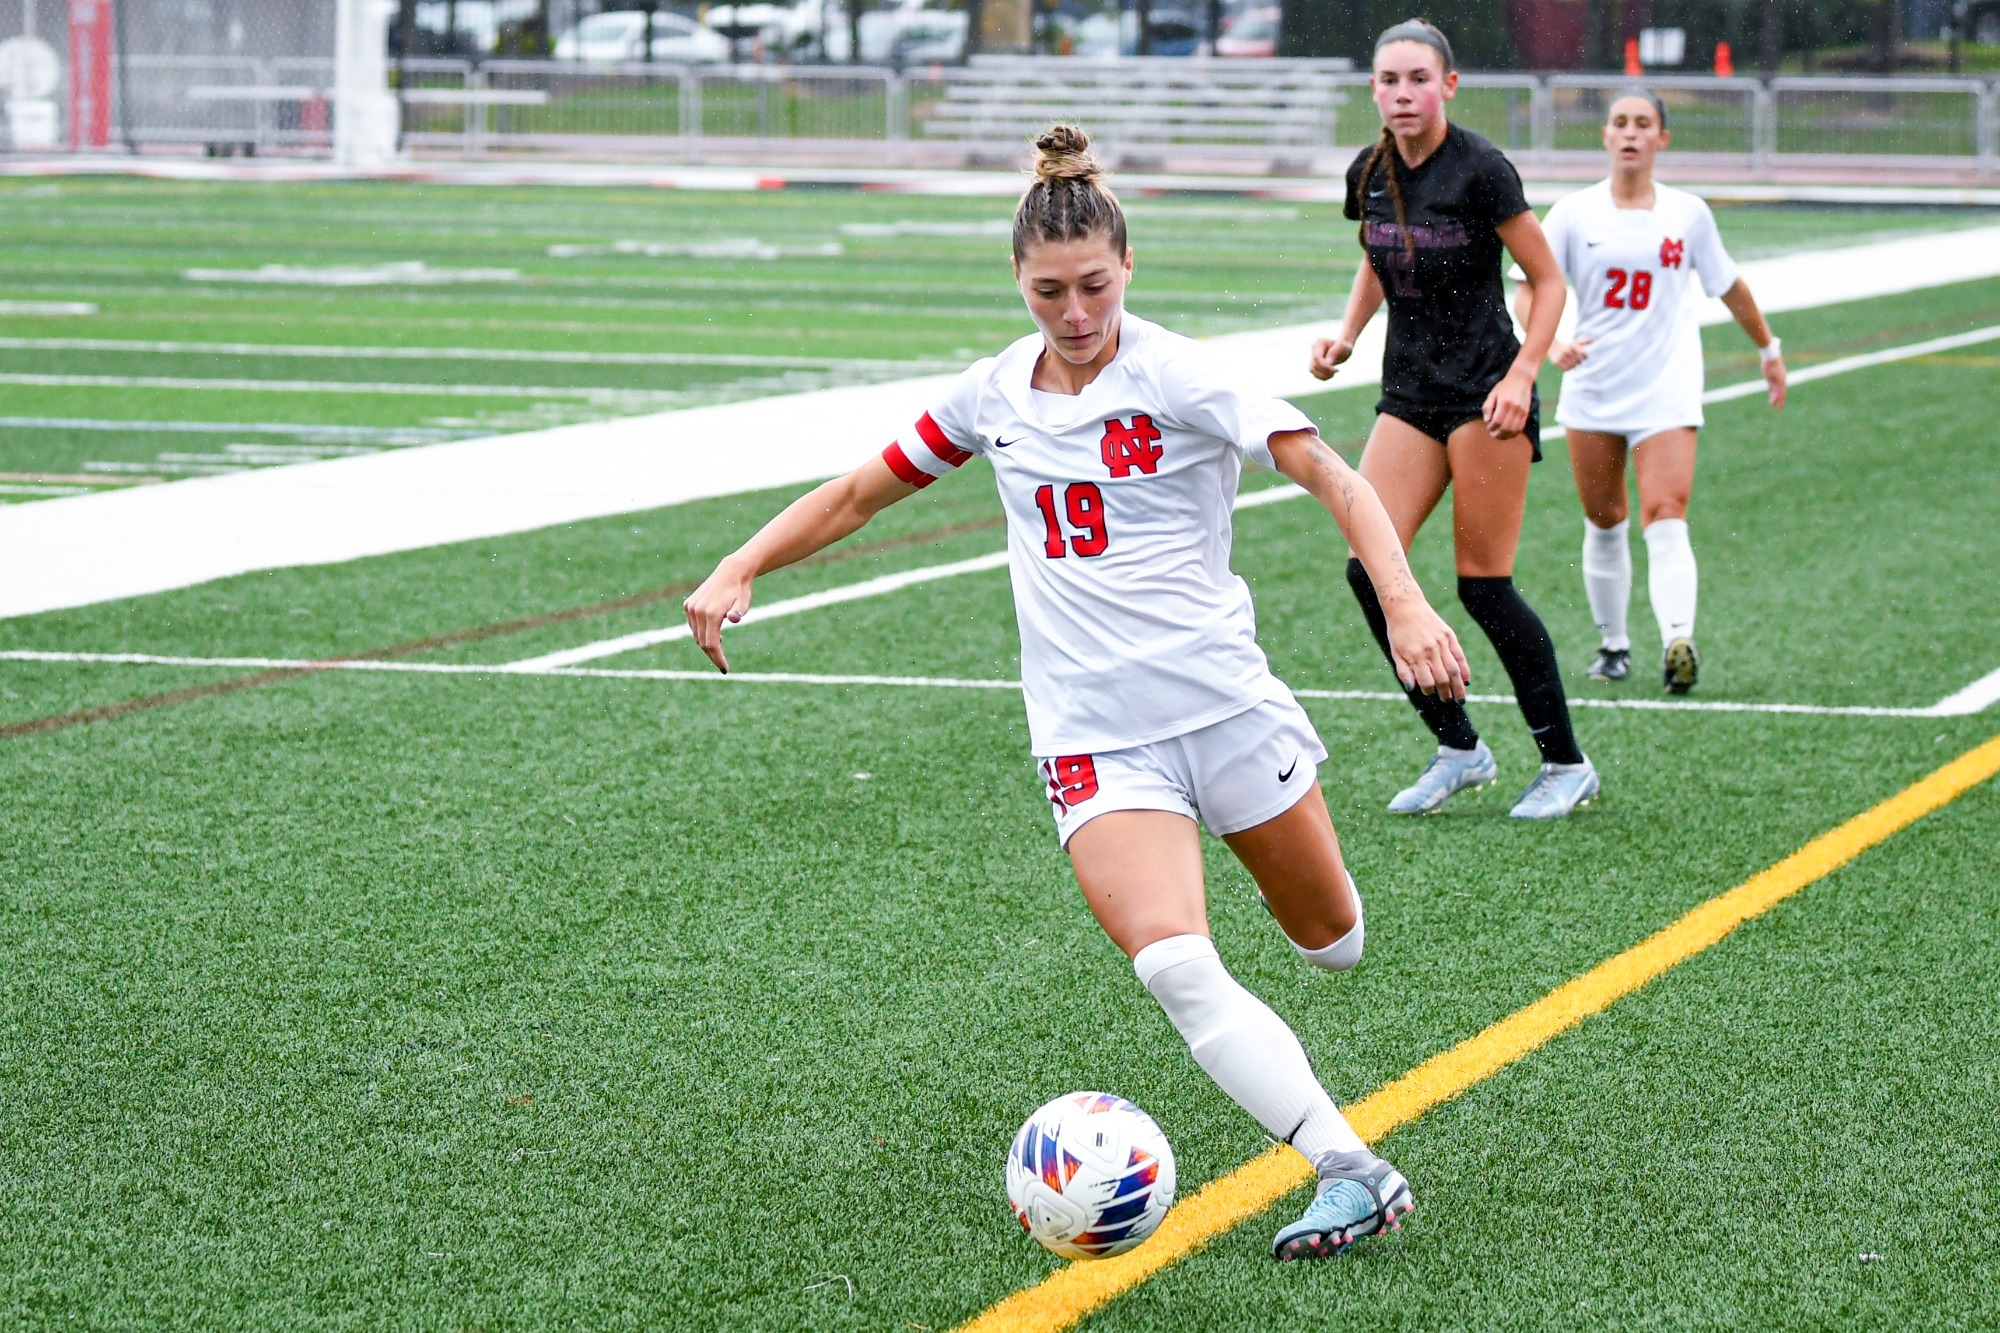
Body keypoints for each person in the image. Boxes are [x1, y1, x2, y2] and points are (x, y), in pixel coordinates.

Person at [685, 125, 1469, 1261]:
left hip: (1223, 709)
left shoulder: (1181, 375)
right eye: (1047, 290)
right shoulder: (991, 392)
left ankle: (1320, 949)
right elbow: (860, 491)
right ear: (1016, 281)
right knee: (1175, 965)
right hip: (1095, 740)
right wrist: (741, 561)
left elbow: (1332, 476)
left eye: (1092, 285)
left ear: (1127, 269)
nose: (1072, 311)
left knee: (1327, 940)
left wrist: (1403, 603)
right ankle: (1350, 1167)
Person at [1308, 18, 1596, 819]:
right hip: (1410, 393)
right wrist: (1346, 334)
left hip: (1486, 395)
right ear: (1373, 89)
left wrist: (1524, 373)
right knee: (1371, 569)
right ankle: (1459, 746)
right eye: (1389, 80)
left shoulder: (1482, 169)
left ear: (1449, 85)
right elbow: (1377, 254)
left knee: (1484, 587)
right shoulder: (1367, 169)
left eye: (1418, 79)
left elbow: (1548, 280)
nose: (1403, 93)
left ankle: (1565, 762)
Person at [1522, 90, 1786, 693]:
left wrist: (1768, 349)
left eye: (1644, 124)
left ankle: (1677, 640)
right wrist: (1550, 342)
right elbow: (1529, 288)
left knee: (1665, 514)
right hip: (1592, 389)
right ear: (1606, 137)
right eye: (1620, 123)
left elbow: (1729, 286)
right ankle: (1613, 646)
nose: (1631, 133)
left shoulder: (1688, 214)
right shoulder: (1573, 213)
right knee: (1604, 518)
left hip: (1666, 388)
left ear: (1663, 138)